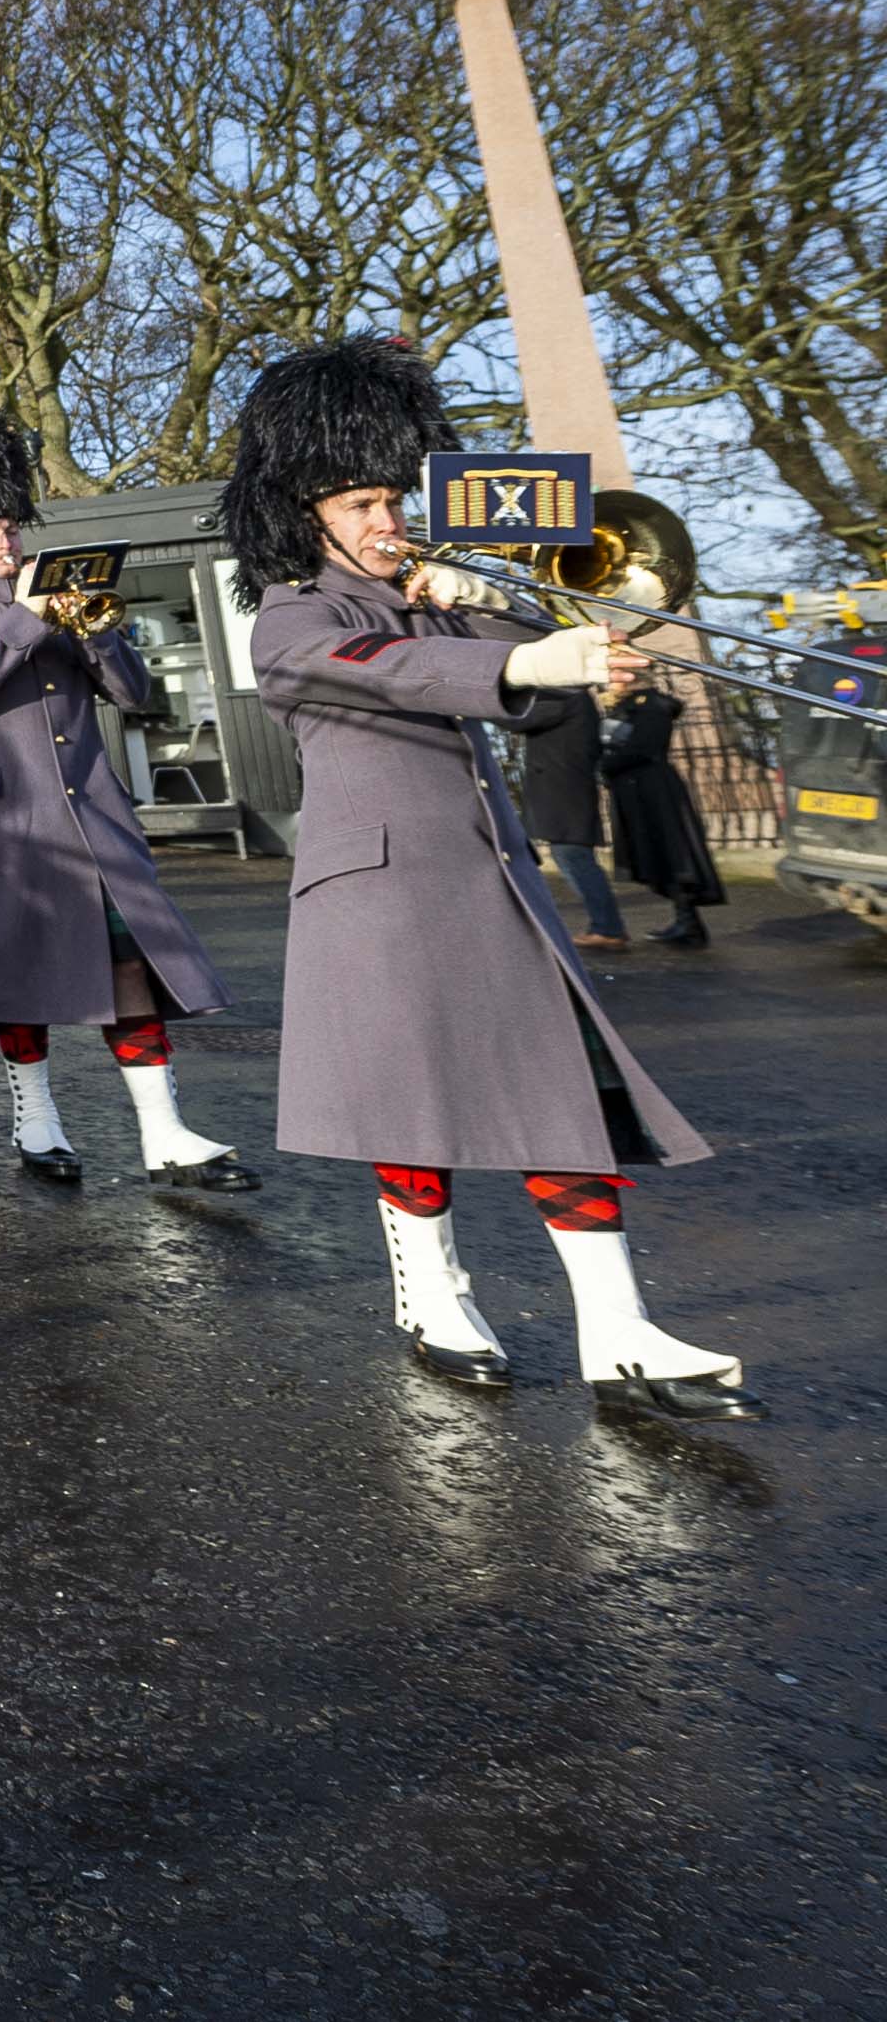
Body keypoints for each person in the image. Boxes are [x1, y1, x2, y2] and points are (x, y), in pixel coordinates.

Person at [225, 338, 758, 1419]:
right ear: (303, 510)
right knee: (412, 1110)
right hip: (376, 892)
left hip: (491, 881)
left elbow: (552, 684)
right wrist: (512, 654)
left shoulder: (437, 594)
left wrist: (500, 602)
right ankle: (432, 1297)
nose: (388, 520)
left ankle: (619, 1330)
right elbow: (393, 672)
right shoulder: (292, 613)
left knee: (559, 1100)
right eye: (362, 503)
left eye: (394, 498)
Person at [0, 411, 255, 1192]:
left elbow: (136, 691)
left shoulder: (66, 593)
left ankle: (164, 1133)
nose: (4, 541)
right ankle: (36, 1117)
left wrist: (95, 632)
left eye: (10, 526)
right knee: (18, 979)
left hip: (90, 813)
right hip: (2, 822)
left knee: (132, 967)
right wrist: (28, 614)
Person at [602, 675, 724, 948]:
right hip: (634, 788)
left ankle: (689, 924)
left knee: (669, 852)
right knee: (657, 853)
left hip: (651, 788)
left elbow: (643, 747)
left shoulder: (650, 705)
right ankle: (687, 922)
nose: (609, 681)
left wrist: (606, 765)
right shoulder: (630, 705)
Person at [515, 689, 630, 949]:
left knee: (574, 857)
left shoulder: (565, 694)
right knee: (570, 857)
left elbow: (517, 719)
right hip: (565, 788)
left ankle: (608, 928)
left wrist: (481, 700)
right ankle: (606, 926)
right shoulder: (569, 695)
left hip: (565, 790)